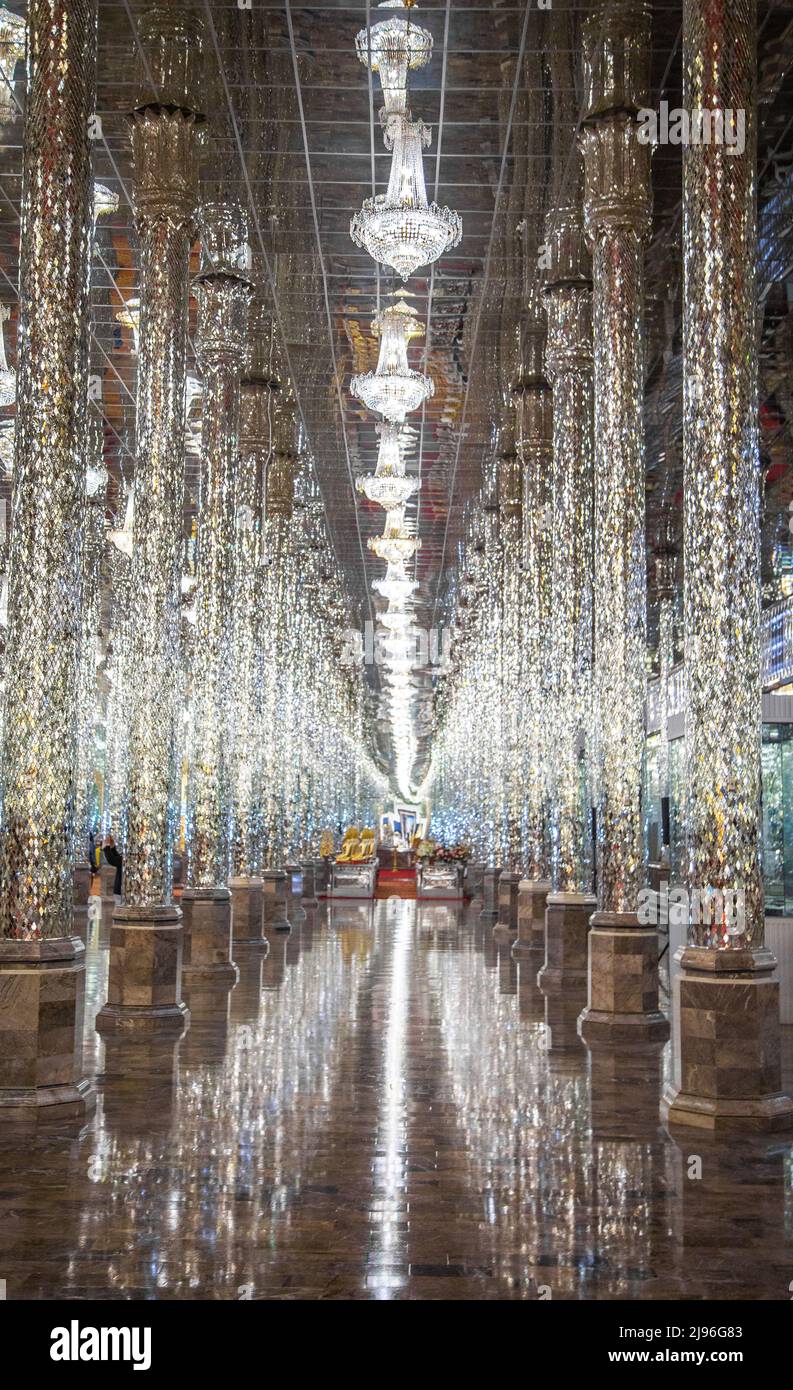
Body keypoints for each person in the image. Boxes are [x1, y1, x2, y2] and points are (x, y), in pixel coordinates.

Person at [102, 834, 123, 898]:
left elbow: (113, 860)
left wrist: (107, 846)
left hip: (122, 890)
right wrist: (112, 847)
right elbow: (119, 859)